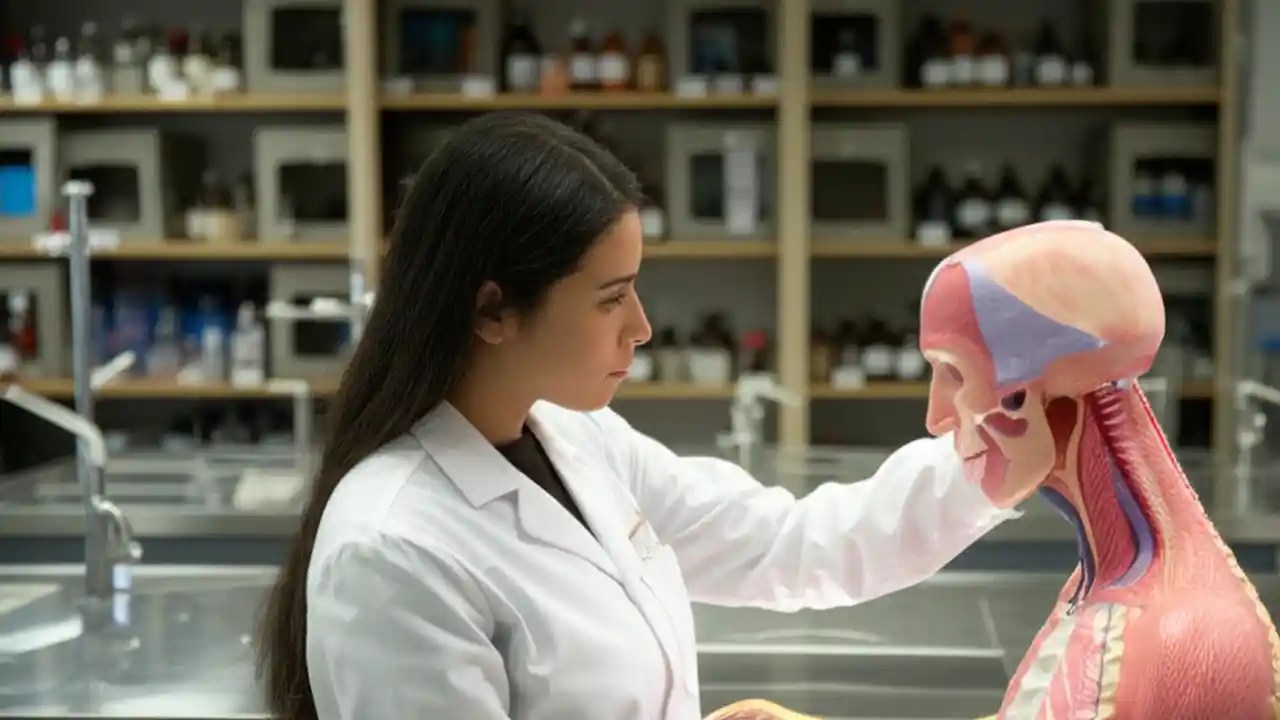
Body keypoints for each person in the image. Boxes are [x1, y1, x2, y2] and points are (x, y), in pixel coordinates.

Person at [256, 111, 1019, 720]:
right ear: (492, 309)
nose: (642, 327)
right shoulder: (392, 549)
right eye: (611, 297)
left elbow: (791, 544)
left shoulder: (577, 439)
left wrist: (1000, 446)